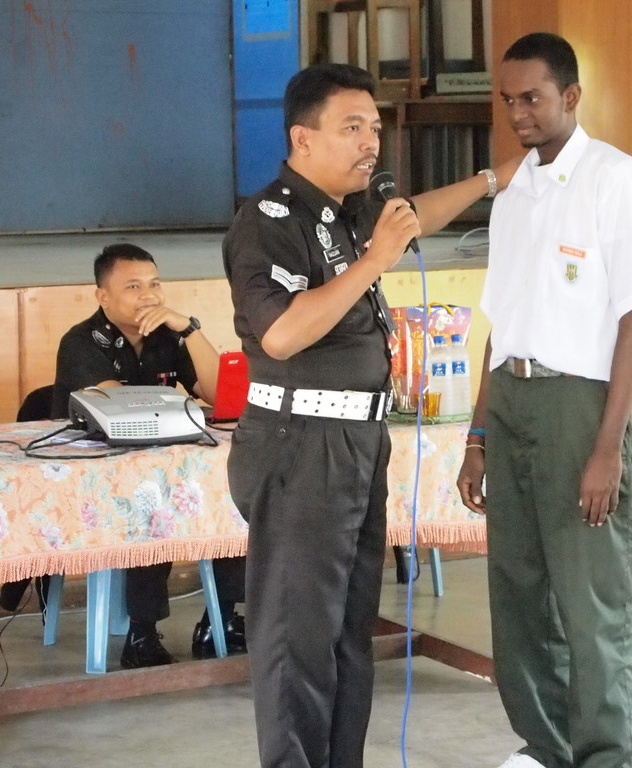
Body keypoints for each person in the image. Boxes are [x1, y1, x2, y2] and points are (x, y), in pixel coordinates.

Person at [223, 63, 521, 768]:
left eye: (376, 129)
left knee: (348, 635)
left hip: (357, 441)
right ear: (302, 137)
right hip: (300, 446)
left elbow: (417, 213)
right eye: (351, 127)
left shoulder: (348, 209)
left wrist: (493, 180)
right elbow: (283, 334)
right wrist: (377, 258)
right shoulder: (267, 221)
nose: (370, 143)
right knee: (298, 640)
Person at [455, 33, 632, 768]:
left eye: (533, 98)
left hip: (581, 407)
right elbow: (495, 322)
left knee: (589, 600)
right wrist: (477, 434)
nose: (519, 113)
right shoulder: (514, 192)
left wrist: (606, 448)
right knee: (517, 591)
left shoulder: (617, 180)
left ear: (571, 96)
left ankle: (605, 754)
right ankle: (544, 748)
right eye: (508, 101)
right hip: (510, 399)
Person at [52, 243, 247, 668]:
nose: (149, 295)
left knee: (233, 489)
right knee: (148, 502)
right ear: (103, 296)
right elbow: (120, 411)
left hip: (162, 462)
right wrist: (185, 407)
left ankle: (224, 620)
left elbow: (220, 396)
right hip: (94, 476)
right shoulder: (81, 341)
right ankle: (141, 634)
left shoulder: (168, 337)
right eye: (134, 286)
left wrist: (190, 330)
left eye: (155, 284)